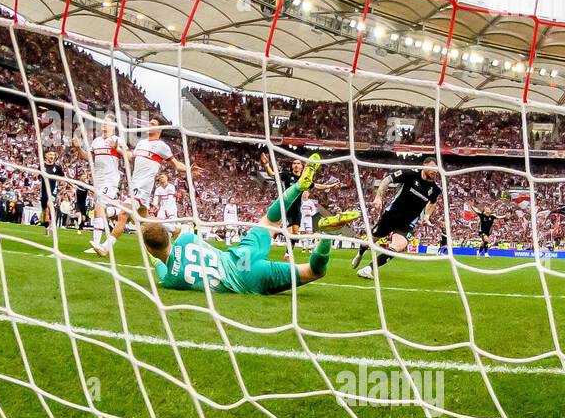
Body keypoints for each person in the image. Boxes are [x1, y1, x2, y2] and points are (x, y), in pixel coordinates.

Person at [142, 155, 355, 296]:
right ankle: (298, 187)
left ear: (151, 247)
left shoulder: (171, 279)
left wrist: (151, 251)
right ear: (168, 237)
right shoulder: (187, 239)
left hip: (247, 278)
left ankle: (327, 235)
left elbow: (159, 264)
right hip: (240, 255)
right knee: (270, 220)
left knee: (313, 271)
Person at [95, 117, 198, 256]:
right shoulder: (141, 143)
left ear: (159, 129)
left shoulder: (162, 146)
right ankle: (174, 229)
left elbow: (176, 164)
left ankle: (105, 247)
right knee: (145, 220)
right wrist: (118, 149)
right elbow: (131, 158)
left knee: (123, 214)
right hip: (135, 186)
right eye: (149, 123)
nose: (149, 126)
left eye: (153, 124)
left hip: (142, 189)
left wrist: (189, 169)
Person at [353, 158, 443, 280]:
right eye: (432, 168)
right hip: (392, 216)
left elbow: (433, 202)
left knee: (399, 246)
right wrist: (378, 197)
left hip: (407, 223)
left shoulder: (435, 189)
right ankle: (360, 253)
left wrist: (426, 216)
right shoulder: (410, 174)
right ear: (424, 166)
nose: (435, 172)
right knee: (371, 239)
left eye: (436, 170)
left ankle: (369, 268)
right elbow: (386, 180)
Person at [74, 115, 123, 255]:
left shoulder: (117, 140)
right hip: (99, 181)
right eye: (103, 122)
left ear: (114, 125)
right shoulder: (96, 141)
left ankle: (96, 244)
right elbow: (87, 157)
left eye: (107, 122)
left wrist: (118, 149)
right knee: (98, 211)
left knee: (98, 207)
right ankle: (118, 211)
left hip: (111, 180)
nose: (104, 124)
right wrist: (78, 148)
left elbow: (128, 155)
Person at [39, 149, 65, 237]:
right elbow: (38, 177)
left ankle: (53, 224)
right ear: (46, 156)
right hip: (43, 191)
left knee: (49, 206)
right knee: (44, 210)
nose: (52, 156)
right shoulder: (42, 166)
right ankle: (47, 227)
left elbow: (63, 177)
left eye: (53, 155)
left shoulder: (57, 167)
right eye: (50, 154)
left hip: (53, 190)